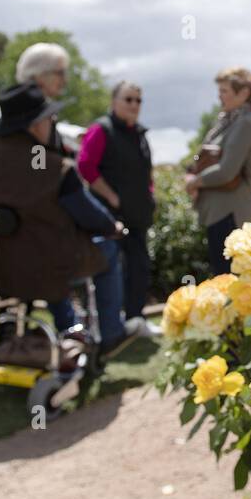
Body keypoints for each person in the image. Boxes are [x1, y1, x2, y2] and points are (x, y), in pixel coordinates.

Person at [0, 82, 130, 358]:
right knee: (107, 250)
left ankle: (60, 329)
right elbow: (91, 216)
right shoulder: (54, 168)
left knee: (41, 255)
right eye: (50, 118)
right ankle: (110, 334)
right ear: (36, 124)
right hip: (48, 266)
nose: (52, 124)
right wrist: (114, 227)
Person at [78, 81, 155, 336]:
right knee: (110, 270)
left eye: (138, 100)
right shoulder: (101, 130)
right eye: (128, 99)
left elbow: (146, 174)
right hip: (110, 217)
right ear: (114, 102)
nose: (134, 105)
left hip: (138, 216)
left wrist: (149, 196)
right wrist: (112, 198)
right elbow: (86, 166)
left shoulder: (139, 134)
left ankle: (136, 319)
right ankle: (109, 326)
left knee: (139, 268)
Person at [184, 66, 251, 275]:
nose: (219, 96)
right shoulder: (231, 120)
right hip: (223, 215)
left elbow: (226, 171)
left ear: (244, 93)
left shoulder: (246, 123)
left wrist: (194, 182)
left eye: (224, 91)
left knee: (233, 286)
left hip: (233, 217)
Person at [15, 42, 74, 154]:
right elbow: (38, 165)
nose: (65, 80)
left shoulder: (33, 110)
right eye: (60, 73)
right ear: (39, 74)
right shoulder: (32, 115)